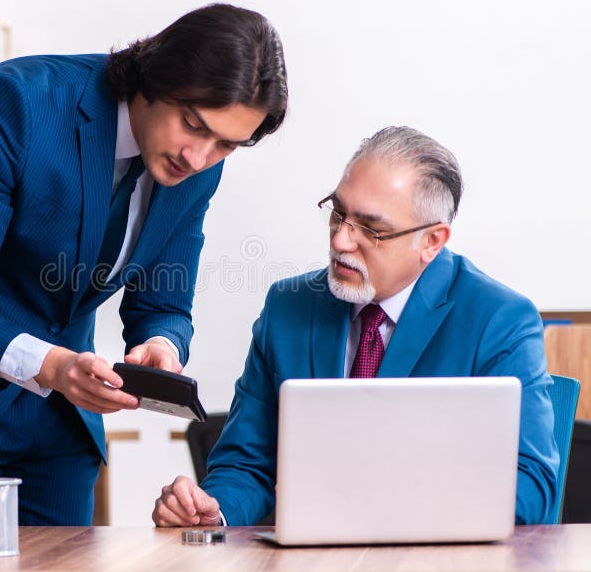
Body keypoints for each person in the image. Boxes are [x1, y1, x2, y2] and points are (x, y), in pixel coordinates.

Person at [0, 3, 288, 525]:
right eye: (193, 125)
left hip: (61, 418)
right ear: (156, 76)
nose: (198, 158)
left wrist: (161, 344)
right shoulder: (9, 104)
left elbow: (164, 300)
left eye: (226, 144)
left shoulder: (196, 168)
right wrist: (51, 366)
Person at [152, 126, 559, 527]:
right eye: (338, 213)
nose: (341, 241)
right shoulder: (288, 307)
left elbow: (532, 486)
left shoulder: (499, 320)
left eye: (372, 229)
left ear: (432, 241)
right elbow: (247, 462)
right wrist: (212, 509)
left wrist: (383, 505)